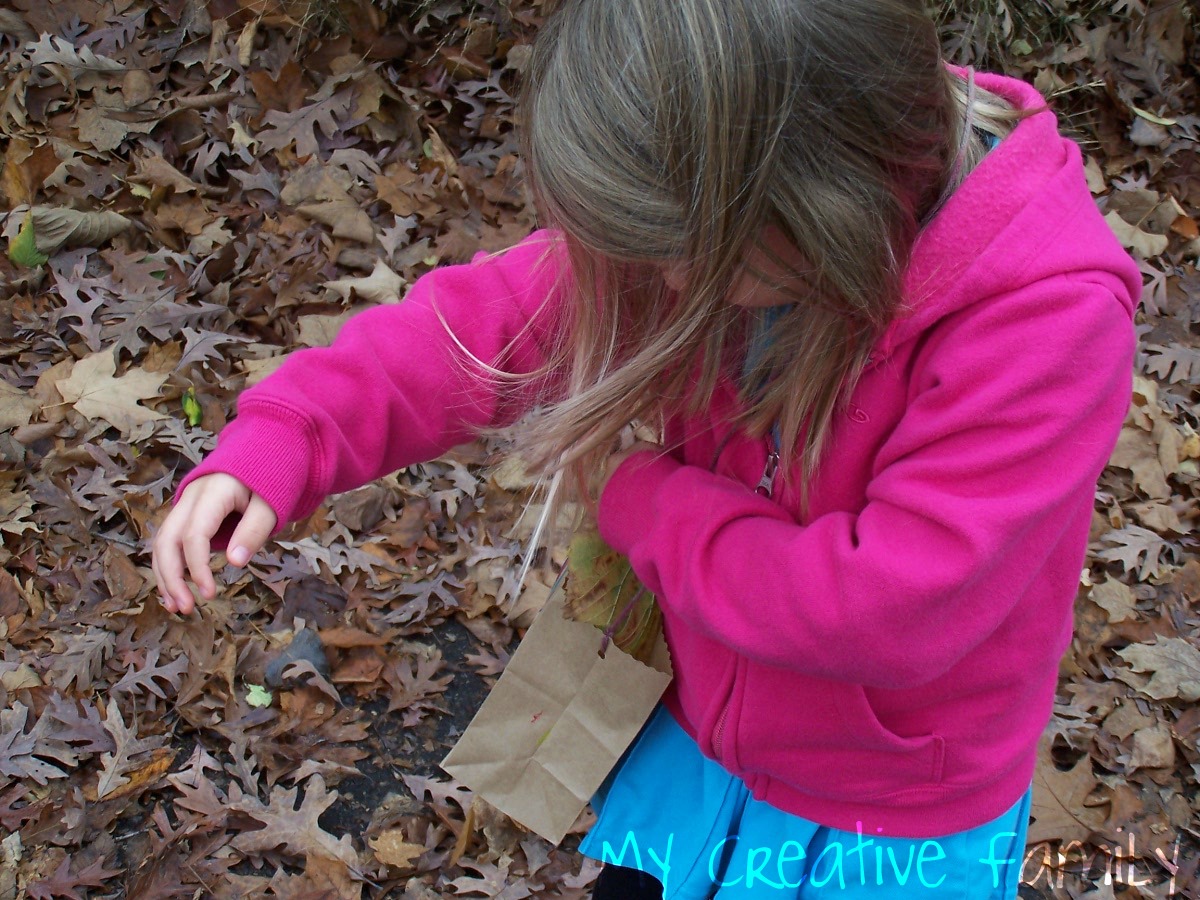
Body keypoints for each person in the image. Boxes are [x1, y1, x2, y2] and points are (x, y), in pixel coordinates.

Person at [151, 0, 1139, 896]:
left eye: (678, 252)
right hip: (705, 739)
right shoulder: (734, 225)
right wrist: (289, 435)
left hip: (888, 810)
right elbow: (488, 320)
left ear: (822, 195)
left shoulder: (1046, 321)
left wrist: (638, 499)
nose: (656, 282)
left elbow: (888, 606)